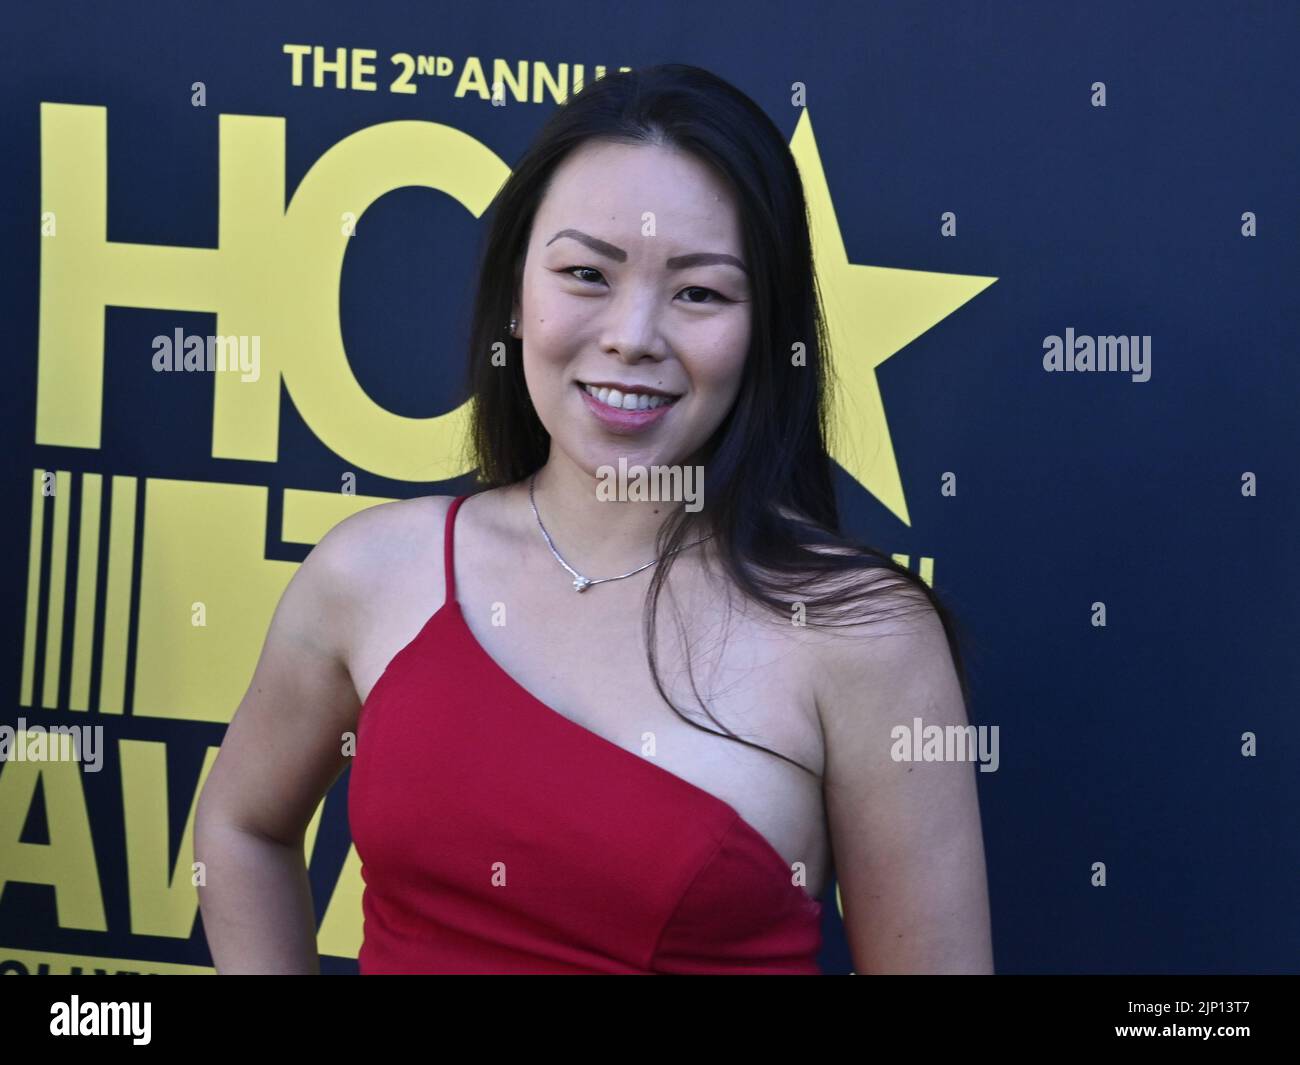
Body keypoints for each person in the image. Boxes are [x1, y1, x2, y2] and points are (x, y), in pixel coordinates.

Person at [195, 63, 993, 975]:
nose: (633, 334)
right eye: (585, 273)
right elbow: (239, 825)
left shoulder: (865, 637)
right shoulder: (371, 573)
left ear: (766, 333)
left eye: (699, 292)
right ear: (515, 294)